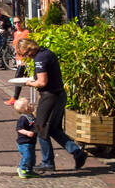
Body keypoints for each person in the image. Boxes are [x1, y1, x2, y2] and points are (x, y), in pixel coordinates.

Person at [15, 37, 87, 173]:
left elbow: (42, 82)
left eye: (25, 54)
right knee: (54, 129)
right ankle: (77, 152)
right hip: (59, 95)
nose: (26, 57)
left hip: (50, 96)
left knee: (40, 127)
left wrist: (29, 83)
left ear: (29, 49)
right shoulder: (47, 53)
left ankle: (47, 162)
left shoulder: (40, 59)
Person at [14, 95, 38, 179]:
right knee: (27, 156)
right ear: (26, 109)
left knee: (32, 157)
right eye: (30, 104)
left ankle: (29, 170)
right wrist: (27, 132)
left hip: (31, 141)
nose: (32, 105)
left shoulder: (31, 116)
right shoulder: (23, 118)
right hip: (24, 142)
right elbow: (19, 129)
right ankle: (22, 168)